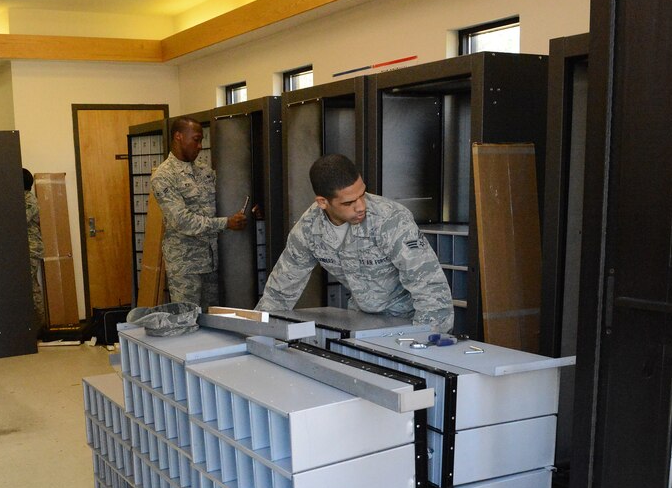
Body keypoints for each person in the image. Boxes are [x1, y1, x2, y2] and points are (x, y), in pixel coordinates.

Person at [256, 154, 454, 331]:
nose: (361, 207)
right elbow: (280, 292)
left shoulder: (391, 220)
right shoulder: (308, 230)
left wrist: (424, 344)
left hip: (410, 321)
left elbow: (431, 289)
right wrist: (254, 333)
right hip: (361, 320)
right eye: (349, 203)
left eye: (362, 195)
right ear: (323, 202)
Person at [150, 116, 247, 308]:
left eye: (201, 140)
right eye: (196, 139)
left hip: (211, 262)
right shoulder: (163, 176)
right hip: (185, 267)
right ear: (178, 136)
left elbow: (224, 200)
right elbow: (182, 221)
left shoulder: (205, 172)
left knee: (212, 320)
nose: (200, 145)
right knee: (187, 320)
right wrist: (226, 223)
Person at [22, 167, 44, 328]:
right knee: (32, 285)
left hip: (31, 248)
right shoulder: (24, 198)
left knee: (29, 285)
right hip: (28, 247)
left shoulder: (29, 199)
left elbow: (21, 219)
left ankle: (37, 325)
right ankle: (37, 325)